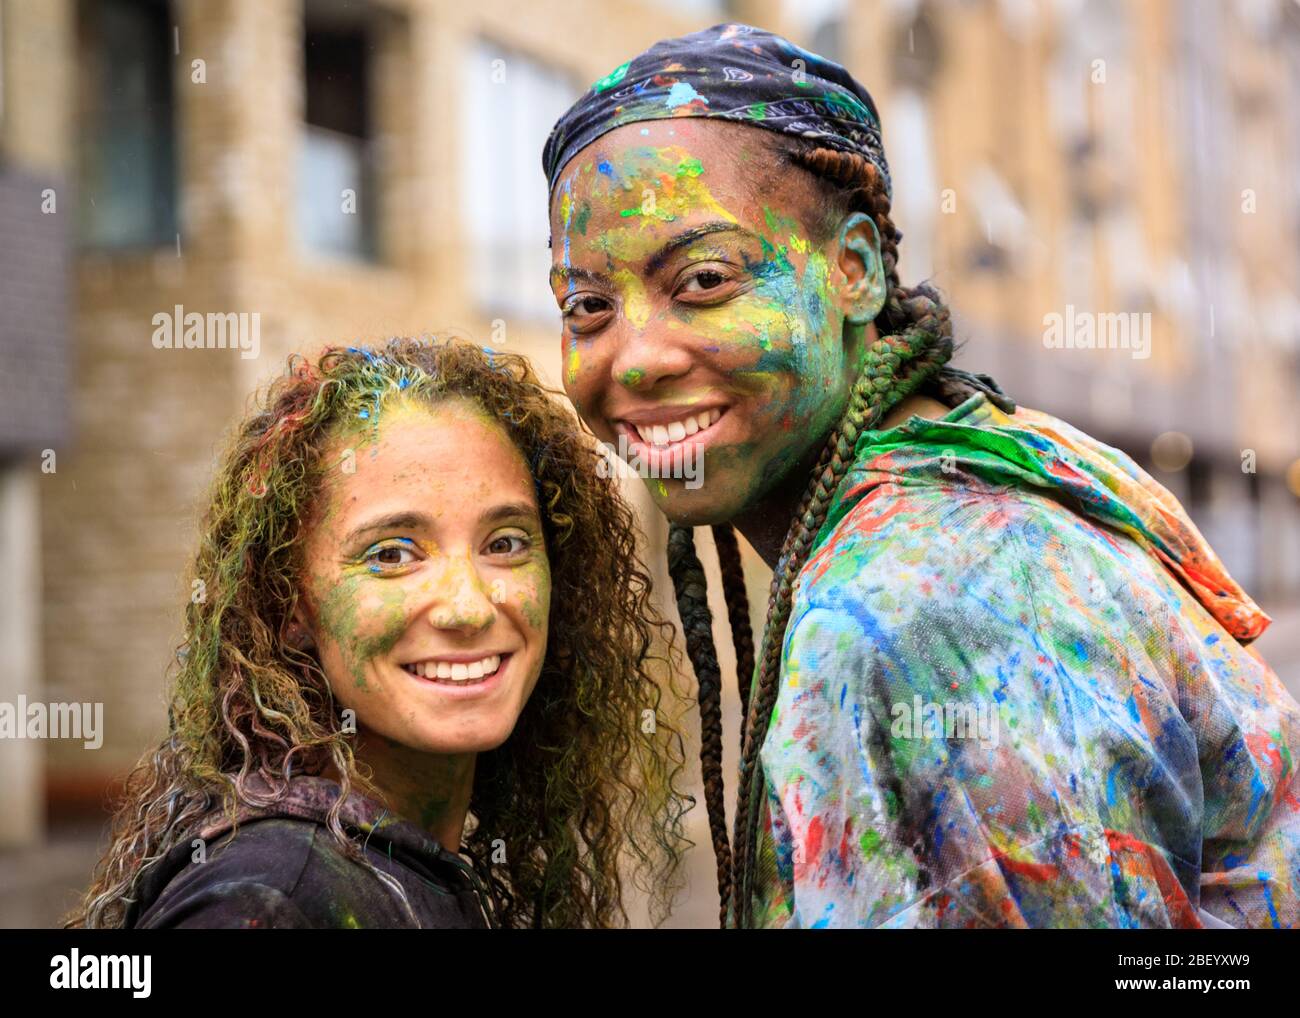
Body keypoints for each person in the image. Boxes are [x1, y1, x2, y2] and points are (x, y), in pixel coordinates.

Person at [542, 23, 1300, 928]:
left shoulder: (915, 611)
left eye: (704, 280)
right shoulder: (991, 459)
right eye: (586, 305)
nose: (631, 361)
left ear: (853, 270)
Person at [65, 338, 690, 929]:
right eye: (392, 555)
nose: (469, 607)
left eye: (505, 543)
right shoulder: (273, 897)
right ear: (291, 606)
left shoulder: (388, 860)